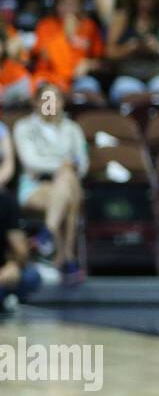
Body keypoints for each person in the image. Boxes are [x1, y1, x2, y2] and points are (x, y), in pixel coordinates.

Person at [13, 83, 89, 283]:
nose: (51, 103)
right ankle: (67, 259)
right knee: (69, 190)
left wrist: (68, 168)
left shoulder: (72, 128)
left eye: (55, 98)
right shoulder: (24, 127)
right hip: (35, 185)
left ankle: (47, 234)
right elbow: (31, 162)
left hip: (65, 184)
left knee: (67, 183)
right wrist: (62, 166)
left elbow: (83, 162)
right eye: (46, 98)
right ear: (36, 102)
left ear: (62, 102)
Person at [32, 0, 105, 95]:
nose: (69, 9)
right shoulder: (46, 25)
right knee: (47, 93)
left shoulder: (89, 26)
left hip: (78, 79)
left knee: (90, 87)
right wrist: (65, 35)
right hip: (51, 77)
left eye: (73, 4)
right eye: (64, 4)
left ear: (80, 6)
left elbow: (101, 61)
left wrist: (88, 64)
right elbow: (44, 55)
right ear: (56, 5)